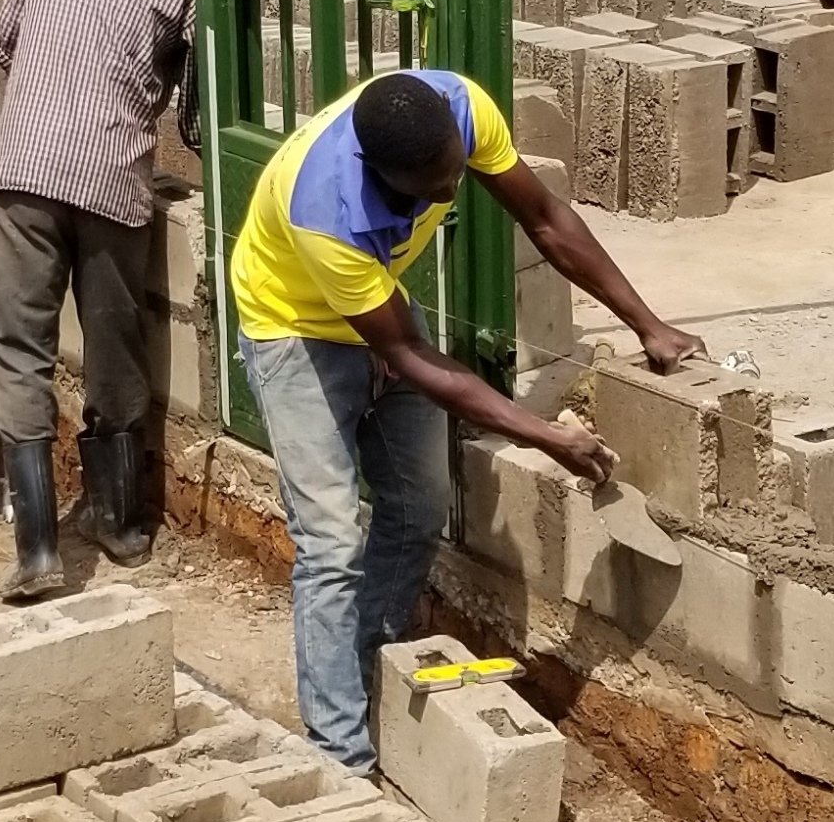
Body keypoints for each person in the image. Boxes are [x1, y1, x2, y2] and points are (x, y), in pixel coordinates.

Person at [230, 65, 703, 772]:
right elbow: (409, 356)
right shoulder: (326, 209)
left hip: (381, 307)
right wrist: (546, 436)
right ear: (386, 175)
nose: (454, 193)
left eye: (458, 172)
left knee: (418, 508)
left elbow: (544, 218)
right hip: (296, 333)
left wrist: (648, 325)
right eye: (434, 187)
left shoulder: (459, 105)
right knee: (330, 544)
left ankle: (376, 668)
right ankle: (341, 760)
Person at [0, 0, 197, 600]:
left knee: (17, 349)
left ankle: (36, 549)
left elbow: (7, 42)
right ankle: (117, 522)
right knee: (115, 346)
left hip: (20, 165)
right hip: (110, 177)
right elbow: (196, 108)